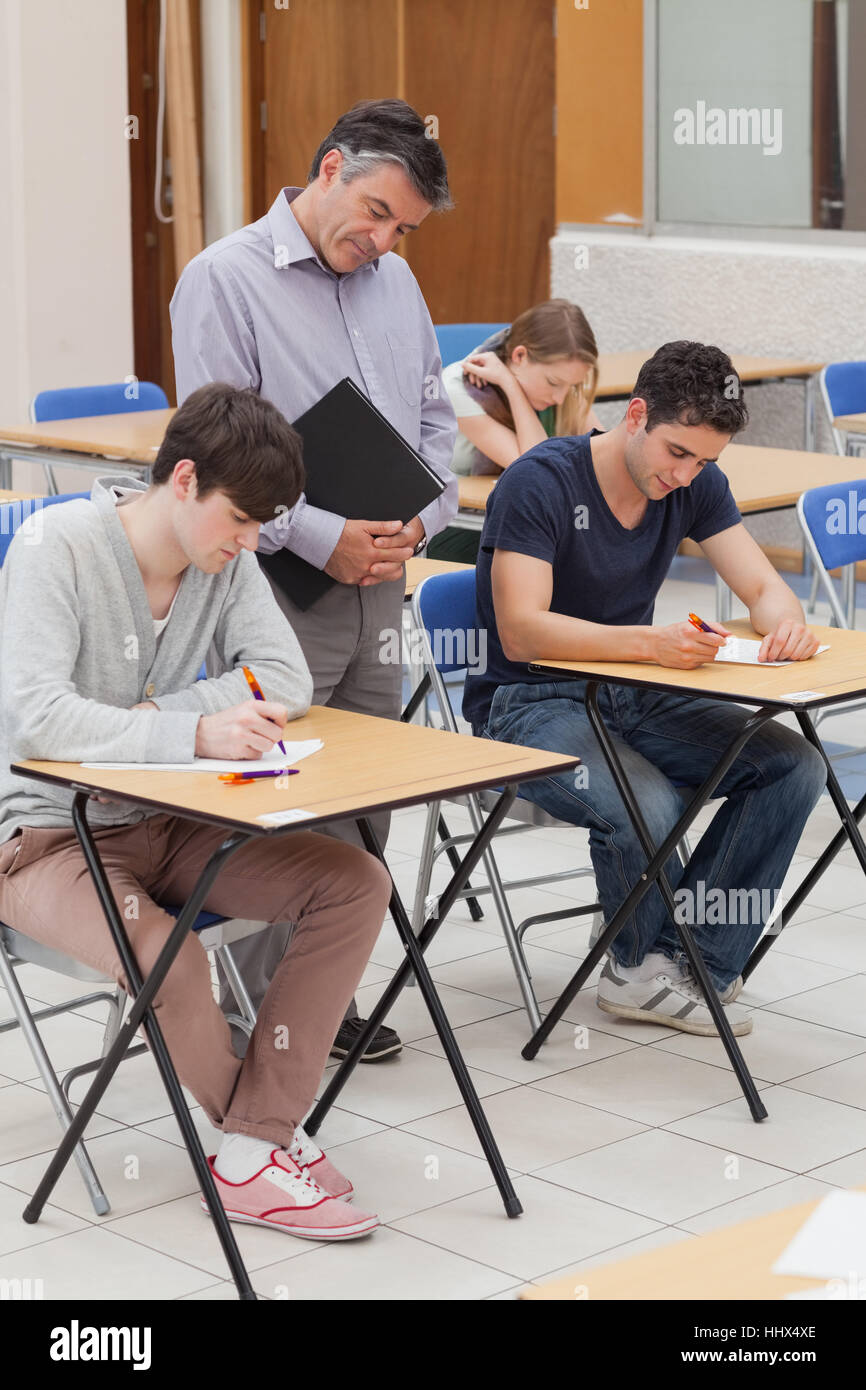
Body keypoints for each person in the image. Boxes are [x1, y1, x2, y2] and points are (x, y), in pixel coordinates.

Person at [0, 384, 393, 1239]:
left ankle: (251, 1147)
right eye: (241, 521)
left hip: (171, 820)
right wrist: (191, 731)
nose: (251, 544)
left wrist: (163, 725)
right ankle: (257, 1150)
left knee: (354, 882)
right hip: (44, 839)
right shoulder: (54, 547)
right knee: (174, 960)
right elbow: (39, 721)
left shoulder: (226, 558)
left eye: (262, 528)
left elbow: (283, 678)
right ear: (184, 480)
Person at [170, 99, 458, 1063]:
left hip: (381, 581)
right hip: (272, 588)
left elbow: (433, 424)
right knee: (275, 797)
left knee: (363, 800)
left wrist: (422, 518)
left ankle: (317, 997)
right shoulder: (224, 280)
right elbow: (218, 458)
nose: (381, 240)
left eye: (402, 229)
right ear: (329, 168)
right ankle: (260, 1016)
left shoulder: (397, 282)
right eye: (375, 213)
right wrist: (325, 534)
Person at [462, 341, 827, 1036]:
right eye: (677, 454)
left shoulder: (694, 484)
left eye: (705, 463)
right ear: (635, 416)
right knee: (649, 803)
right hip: (528, 704)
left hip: (628, 690)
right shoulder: (541, 483)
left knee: (792, 765)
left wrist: (785, 624)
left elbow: (760, 585)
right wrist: (651, 645)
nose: (686, 476)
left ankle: (692, 961)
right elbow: (521, 633)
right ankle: (635, 971)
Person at [429, 300, 603, 564]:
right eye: (553, 383)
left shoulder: (559, 389)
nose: (559, 398)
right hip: (458, 525)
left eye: (570, 387)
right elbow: (536, 468)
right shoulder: (459, 387)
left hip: (523, 518)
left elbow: (603, 453)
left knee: (587, 541)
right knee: (570, 551)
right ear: (519, 356)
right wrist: (511, 387)